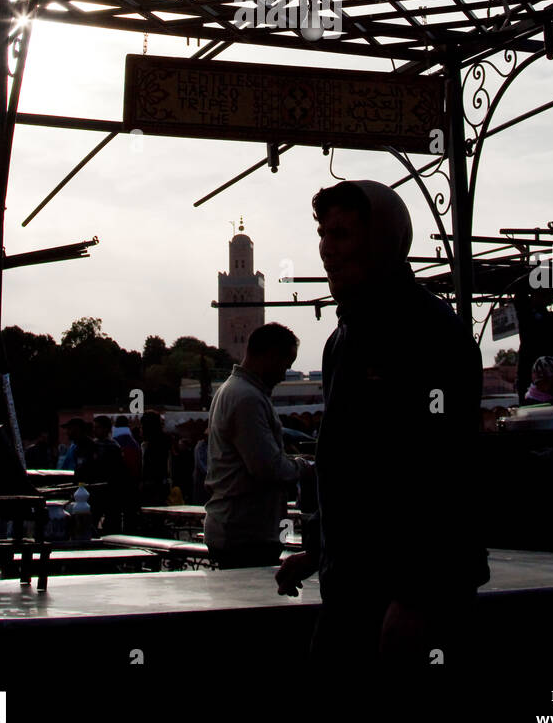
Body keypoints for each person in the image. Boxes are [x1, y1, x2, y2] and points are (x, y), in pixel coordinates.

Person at [276, 180, 489, 675]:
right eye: (325, 235)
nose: (328, 250)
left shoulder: (431, 332)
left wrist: (417, 596)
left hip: (413, 602)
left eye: (343, 234)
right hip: (351, 589)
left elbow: (446, 468)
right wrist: (319, 550)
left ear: (384, 240)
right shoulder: (342, 343)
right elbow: (346, 464)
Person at [204, 322, 310, 569]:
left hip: (235, 529)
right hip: (245, 534)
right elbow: (267, 468)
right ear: (270, 356)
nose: (285, 374)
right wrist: (305, 467)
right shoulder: (247, 398)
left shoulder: (233, 390)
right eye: (285, 365)